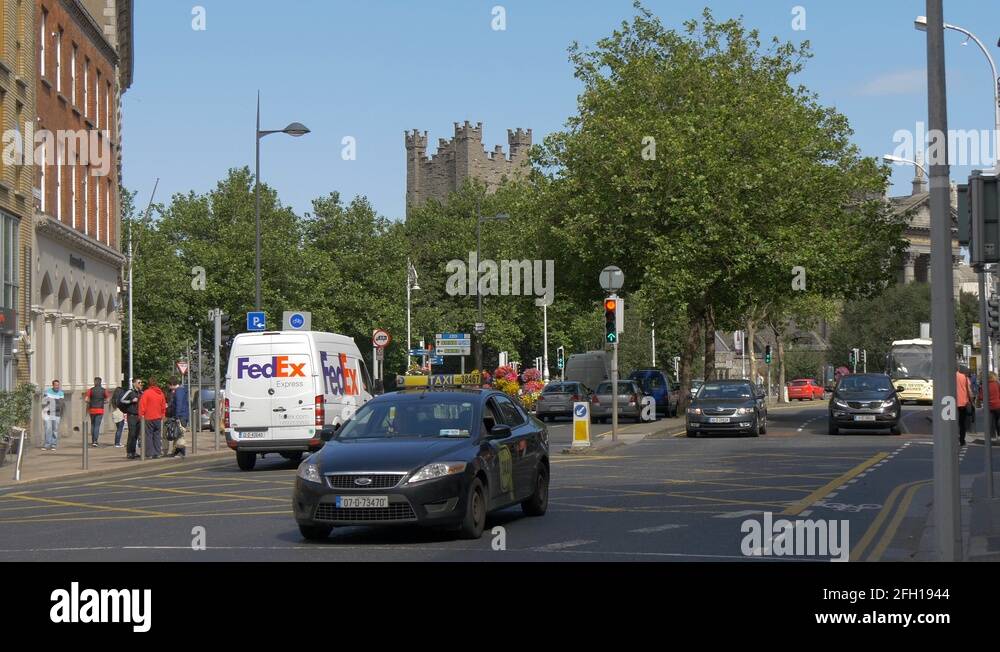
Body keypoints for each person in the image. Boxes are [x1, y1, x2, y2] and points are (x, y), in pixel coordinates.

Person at [138, 377, 167, 459]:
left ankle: (150, 453)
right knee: (157, 435)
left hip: (148, 417)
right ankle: (157, 452)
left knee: (148, 435)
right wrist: (163, 415)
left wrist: (141, 416)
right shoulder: (160, 393)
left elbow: (142, 405)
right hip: (158, 417)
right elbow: (163, 406)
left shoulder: (146, 393)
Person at [166, 377, 190, 458]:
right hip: (183, 415)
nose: (168, 387)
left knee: (180, 435)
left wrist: (176, 416)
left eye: (169, 385)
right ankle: (176, 451)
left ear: (172, 384)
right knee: (178, 434)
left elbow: (178, 404)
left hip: (180, 416)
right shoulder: (181, 390)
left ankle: (180, 452)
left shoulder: (178, 391)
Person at [120, 378, 143, 459]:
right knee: (132, 434)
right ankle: (129, 452)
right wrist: (131, 401)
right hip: (132, 415)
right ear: (134, 383)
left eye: (141, 382)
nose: (140, 384)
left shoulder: (141, 393)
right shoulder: (130, 392)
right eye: (139, 382)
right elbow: (122, 400)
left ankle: (134, 452)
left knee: (136, 435)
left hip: (139, 416)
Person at [84, 377, 110, 447]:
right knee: (97, 426)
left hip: (92, 409)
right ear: (100, 382)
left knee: (92, 425)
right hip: (100, 410)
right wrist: (102, 402)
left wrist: (91, 401)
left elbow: (86, 399)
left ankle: (93, 440)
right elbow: (108, 400)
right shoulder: (104, 390)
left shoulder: (90, 390)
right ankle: (95, 441)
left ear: (94, 382)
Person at [41, 380, 65, 451]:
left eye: (58, 385)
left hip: (56, 414)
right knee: (48, 429)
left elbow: (60, 404)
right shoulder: (47, 392)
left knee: (55, 429)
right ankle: (47, 444)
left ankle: (53, 444)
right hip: (48, 413)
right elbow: (44, 402)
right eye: (55, 385)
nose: (57, 386)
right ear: (53, 385)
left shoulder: (61, 393)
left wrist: (51, 402)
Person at [979, 371, 1000, 441]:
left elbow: (981, 397)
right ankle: (999, 436)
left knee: (990, 422)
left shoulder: (984, 385)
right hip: (998, 405)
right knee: (998, 421)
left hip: (989, 407)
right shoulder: (997, 384)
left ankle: (992, 437)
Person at [956, 366, 973, 447]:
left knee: (953, 422)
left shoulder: (950, 376)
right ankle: (962, 440)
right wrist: (971, 400)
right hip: (963, 402)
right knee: (962, 423)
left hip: (952, 403)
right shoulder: (964, 378)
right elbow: (969, 390)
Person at [110, 379, 128, 448]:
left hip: (115, 413)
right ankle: (117, 443)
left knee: (118, 429)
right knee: (120, 429)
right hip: (120, 414)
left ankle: (117, 442)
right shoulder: (120, 398)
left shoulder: (114, 399)